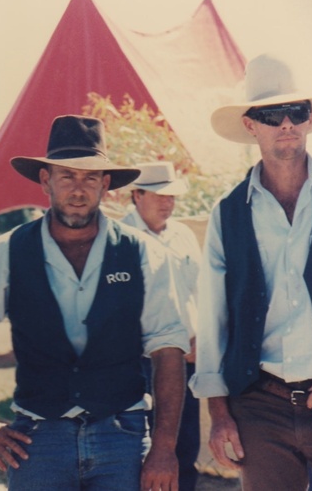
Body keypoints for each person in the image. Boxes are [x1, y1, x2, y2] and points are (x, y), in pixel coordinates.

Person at [0, 115, 189, 491]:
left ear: (106, 185)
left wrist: (163, 447)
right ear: (45, 180)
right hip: (38, 440)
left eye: (90, 178)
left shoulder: (144, 254)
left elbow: (169, 348)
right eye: (67, 177)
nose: (78, 190)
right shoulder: (3, 254)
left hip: (121, 437)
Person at [191, 53, 312, 490]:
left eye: (296, 111)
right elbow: (213, 324)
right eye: (270, 114)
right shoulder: (227, 213)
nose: (285, 123)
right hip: (260, 408)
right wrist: (220, 414)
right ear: (251, 125)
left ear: (310, 118)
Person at [121, 161, 201, 490]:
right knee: (139, 450)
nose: (167, 202)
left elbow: (198, 291)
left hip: (187, 359)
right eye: (159, 195)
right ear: (136, 195)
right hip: (137, 363)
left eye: (172, 196)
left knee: (185, 446)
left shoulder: (182, 235)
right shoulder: (119, 240)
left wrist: (199, 338)